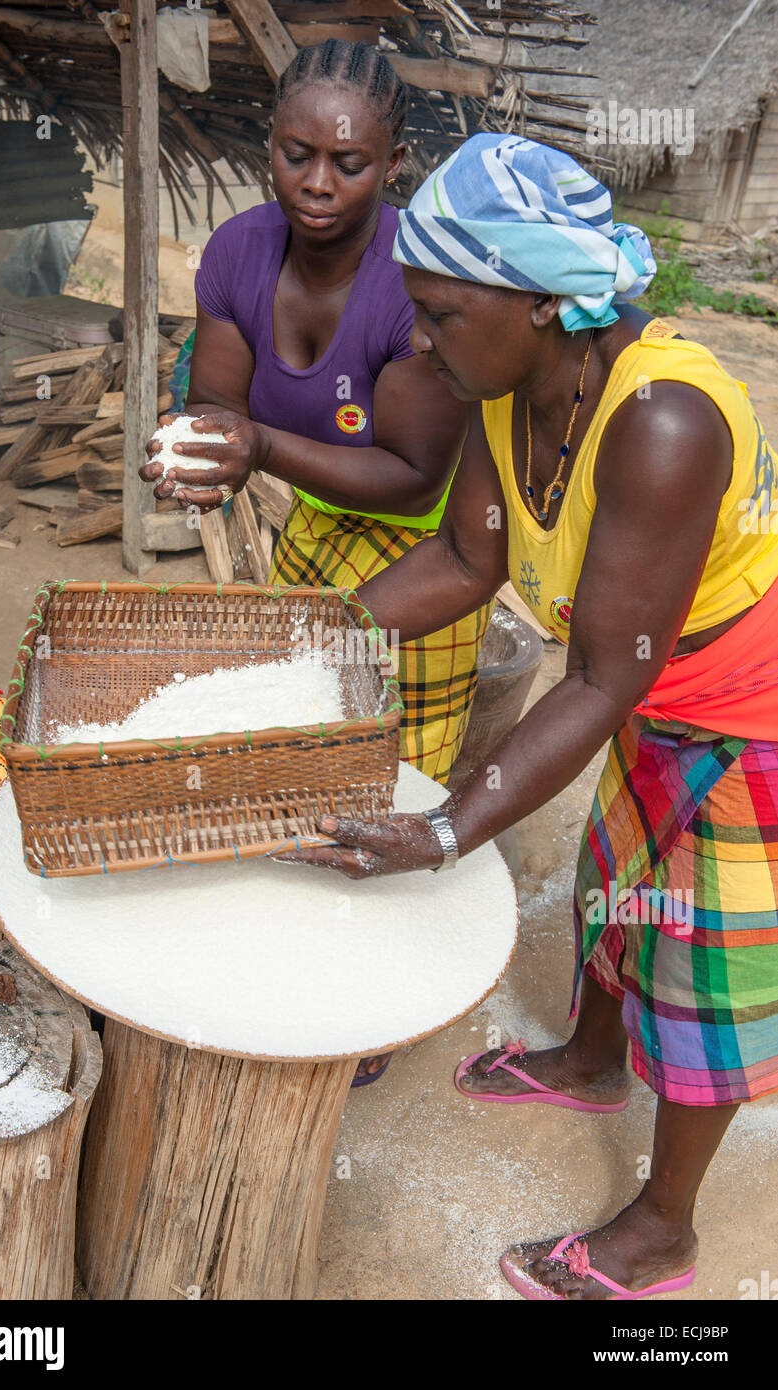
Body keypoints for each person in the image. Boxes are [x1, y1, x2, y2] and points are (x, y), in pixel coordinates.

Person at [276, 132, 778, 1300]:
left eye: (442, 312)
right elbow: (463, 556)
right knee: (612, 876)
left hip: (744, 720)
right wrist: (316, 634)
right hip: (643, 681)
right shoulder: (503, 391)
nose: (415, 338)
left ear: (545, 305)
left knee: (696, 963)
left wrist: (448, 827)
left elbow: (601, 683)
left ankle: (663, 1225)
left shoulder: (664, 422)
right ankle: (594, 1062)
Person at [140, 40, 493, 1085]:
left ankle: (376, 1006)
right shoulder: (239, 256)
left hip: (426, 545)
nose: (320, 184)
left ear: (390, 165)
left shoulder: (410, 285)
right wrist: (201, 455)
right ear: (269, 147)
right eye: (298, 155)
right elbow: (218, 406)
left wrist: (259, 448)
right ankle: (301, 961)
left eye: (349, 164)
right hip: (316, 523)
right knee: (298, 740)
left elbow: (413, 477)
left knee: (385, 769)